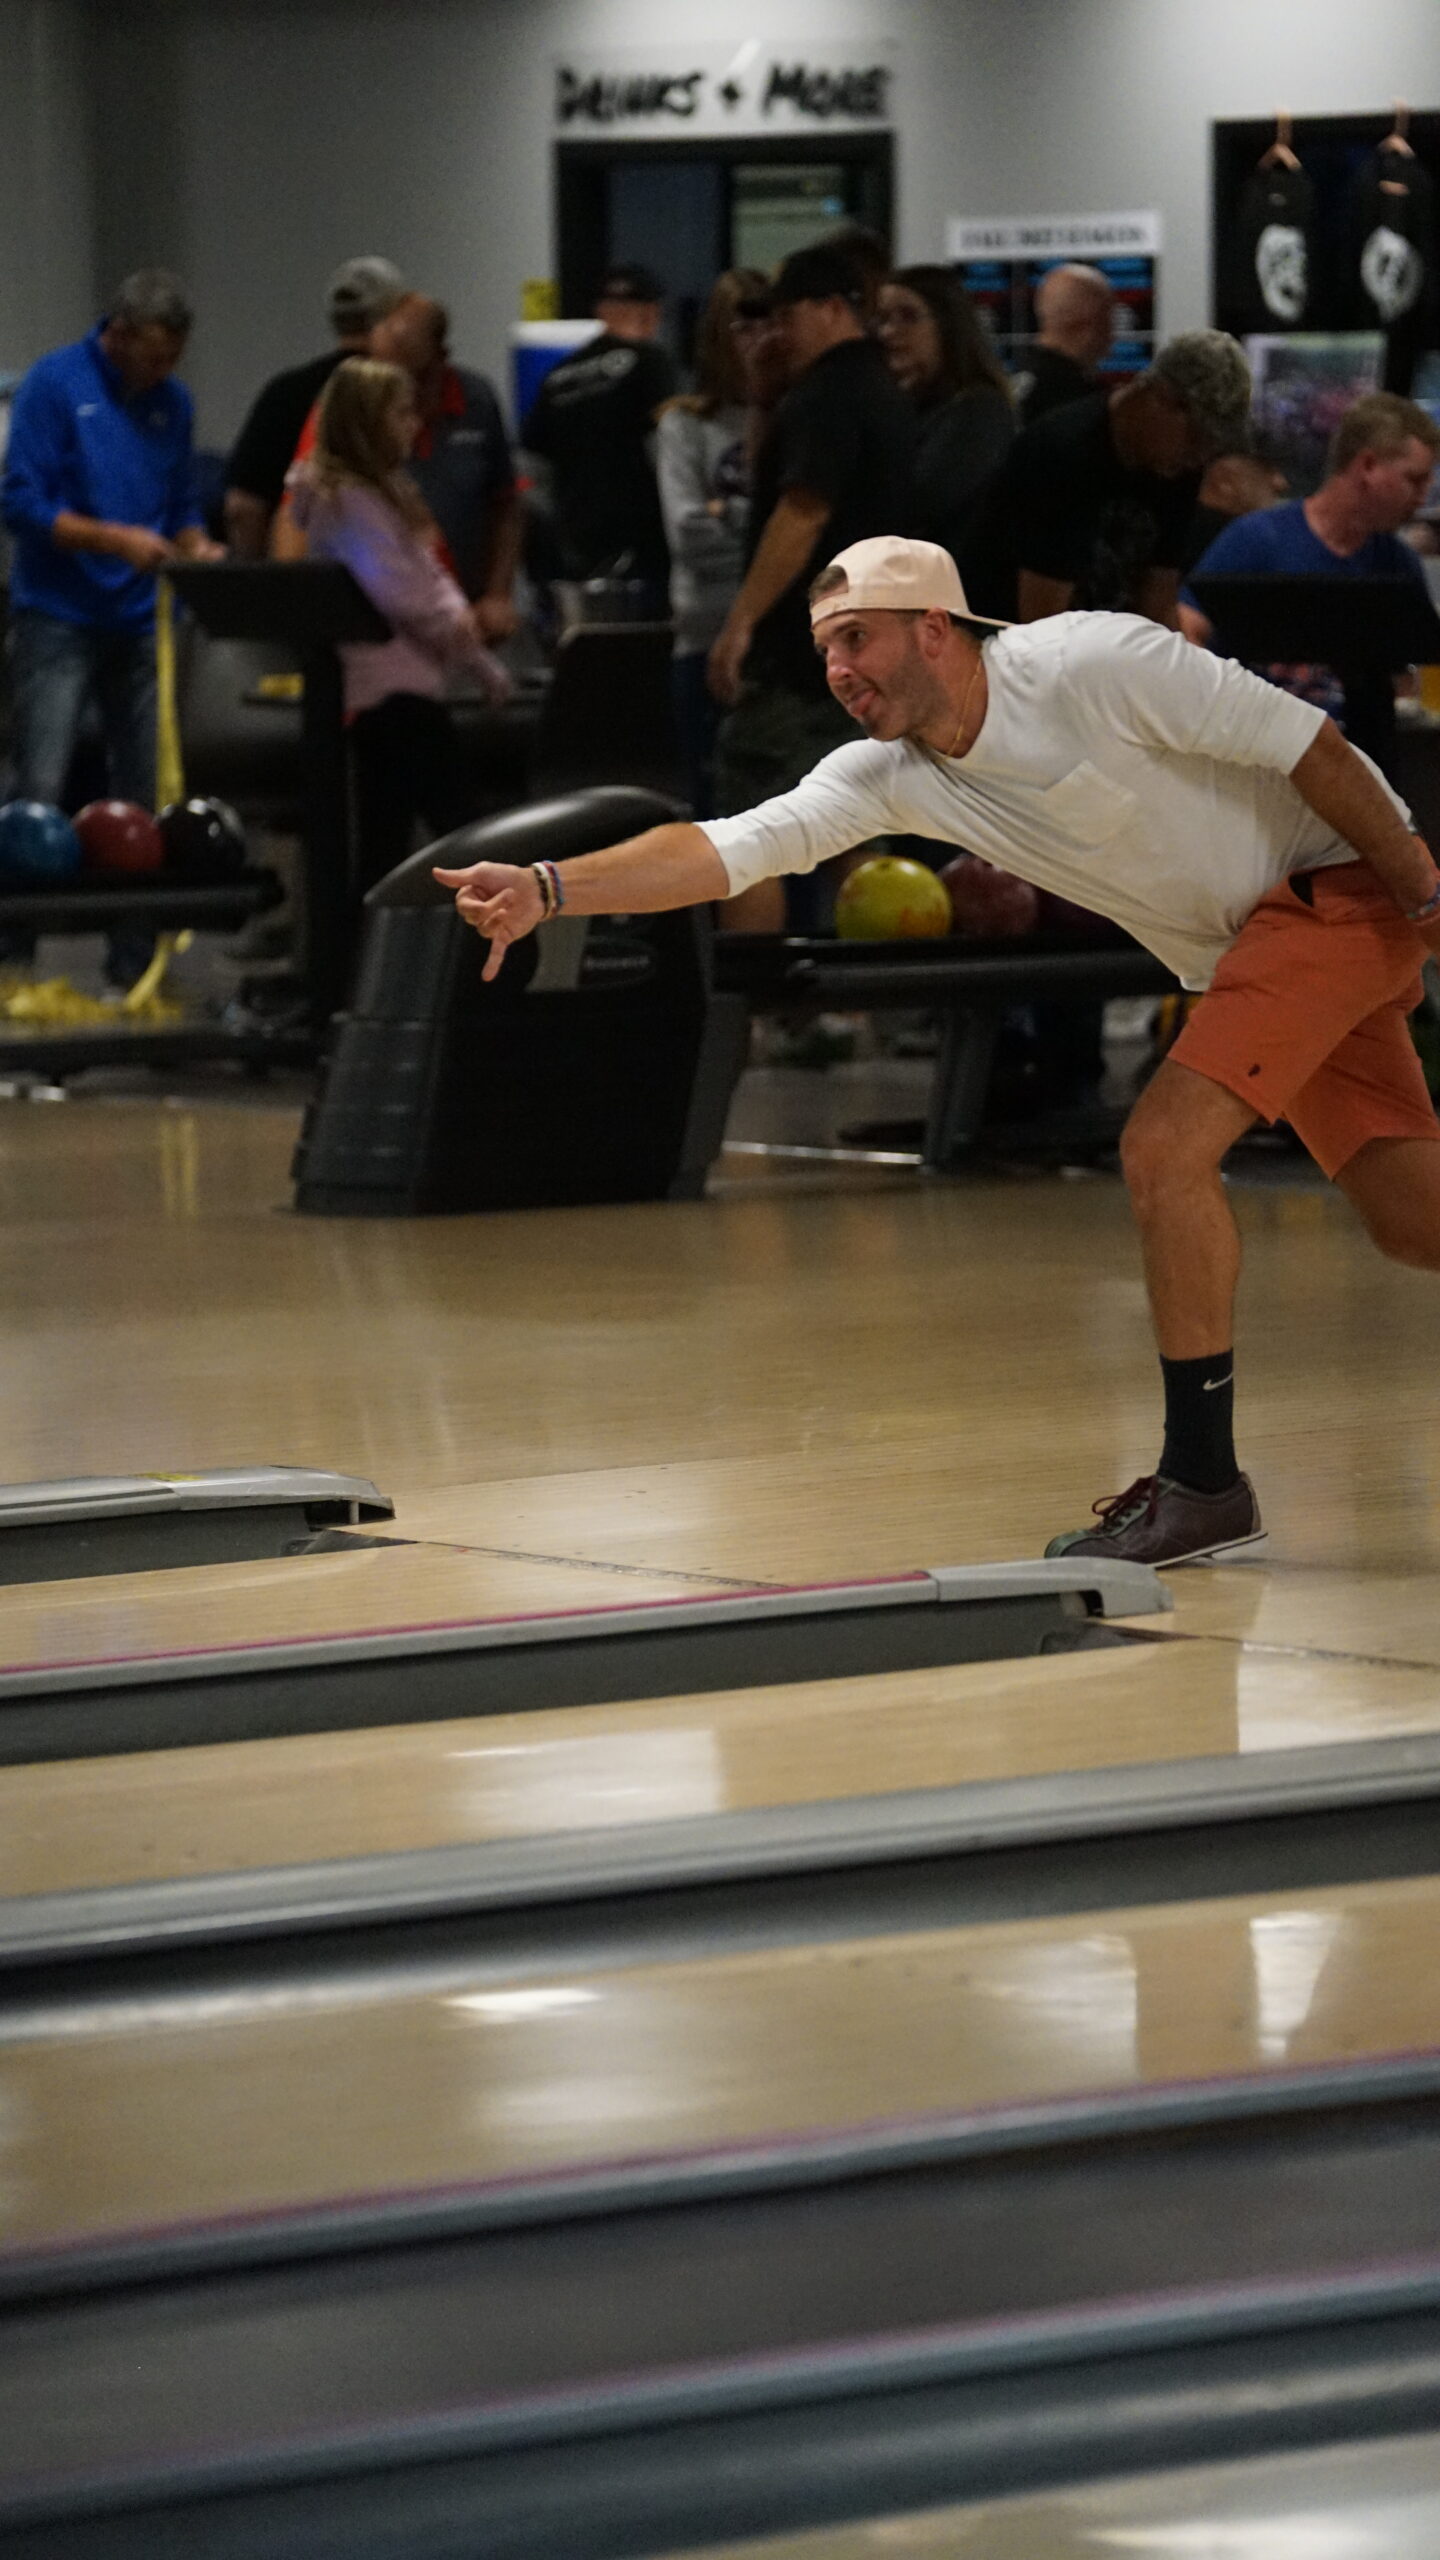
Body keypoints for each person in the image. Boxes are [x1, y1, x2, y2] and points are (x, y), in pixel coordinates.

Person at [436, 533, 1440, 1571]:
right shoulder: (891, 776)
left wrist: (1421, 890)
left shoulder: (1092, 663)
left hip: (1336, 887)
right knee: (1416, 1221)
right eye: (825, 649)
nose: (837, 670)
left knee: (1162, 1150)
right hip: (1250, 953)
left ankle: (1204, 1484)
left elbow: (1308, 743)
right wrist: (551, 887)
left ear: (933, 628)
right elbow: (727, 846)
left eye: (857, 637)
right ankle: (1205, 1486)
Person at [1, 270, 221, 979]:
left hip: (140, 622)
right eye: (152, 357)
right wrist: (115, 539)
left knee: (144, 798)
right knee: (40, 785)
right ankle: (14, 960)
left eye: (172, 361)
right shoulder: (54, 385)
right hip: (57, 616)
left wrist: (194, 543)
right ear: (118, 334)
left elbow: (183, 502)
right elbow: (21, 504)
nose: (162, 372)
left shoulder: (172, 404)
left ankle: (134, 966)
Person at [706, 242, 916, 927]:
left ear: (830, 309)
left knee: (750, 834)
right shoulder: (883, 389)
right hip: (875, 650)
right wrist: (767, 398)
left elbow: (800, 511)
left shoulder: (827, 395)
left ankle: (758, 1022)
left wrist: (741, 621)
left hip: (802, 659)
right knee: (855, 831)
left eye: (786, 316)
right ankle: (858, 1017)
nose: (775, 334)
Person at [286, 358, 510, 894]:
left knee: (388, 847)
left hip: (406, 692)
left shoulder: (382, 495)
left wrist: (470, 647)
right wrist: (476, 656)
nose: (415, 424)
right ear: (366, 421)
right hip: (391, 699)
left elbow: (429, 577)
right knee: (461, 833)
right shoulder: (347, 503)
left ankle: (374, 962)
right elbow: (405, 594)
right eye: (402, 413)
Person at [961, 330, 1252, 628]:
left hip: (1089, 649)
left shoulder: (1177, 469)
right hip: (1002, 648)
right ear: (1158, 397)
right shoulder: (1062, 453)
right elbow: (1042, 627)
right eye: (1197, 438)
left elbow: (1159, 606)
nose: (1199, 457)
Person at [1179, 392, 1440, 703]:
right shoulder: (1257, 539)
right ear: (1368, 466)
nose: (1422, 497)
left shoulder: (1399, 565)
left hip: (1353, 748)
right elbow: (1186, 628)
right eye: (1414, 480)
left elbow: (1406, 678)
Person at [655, 270, 769, 816]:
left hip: (780, 646)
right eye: (741, 328)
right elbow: (689, 534)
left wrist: (728, 513)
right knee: (716, 821)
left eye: (765, 326)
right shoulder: (684, 425)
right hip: (703, 638)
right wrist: (761, 529)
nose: (755, 342)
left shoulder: (794, 419)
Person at [222, 255, 405, 557]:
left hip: (300, 583)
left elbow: (243, 507)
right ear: (393, 316)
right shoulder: (398, 394)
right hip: (385, 580)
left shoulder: (285, 393)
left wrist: (255, 583)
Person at [519, 261, 675, 603]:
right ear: (651, 313)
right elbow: (667, 449)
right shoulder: (651, 363)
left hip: (577, 544)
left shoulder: (557, 377)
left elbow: (532, 471)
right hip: (640, 543)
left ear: (601, 311)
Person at [877, 265, 1015, 561]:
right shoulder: (909, 407)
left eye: (908, 317)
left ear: (948, 325)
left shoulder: (979, 411)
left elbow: (912, 508)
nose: (889, 332)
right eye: (883, 319)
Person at [1011, 264, 1115, 426]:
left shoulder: (1012, 387)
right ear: (1088, 323)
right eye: (1108, 319)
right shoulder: (1084, 403)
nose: (1113, 336)